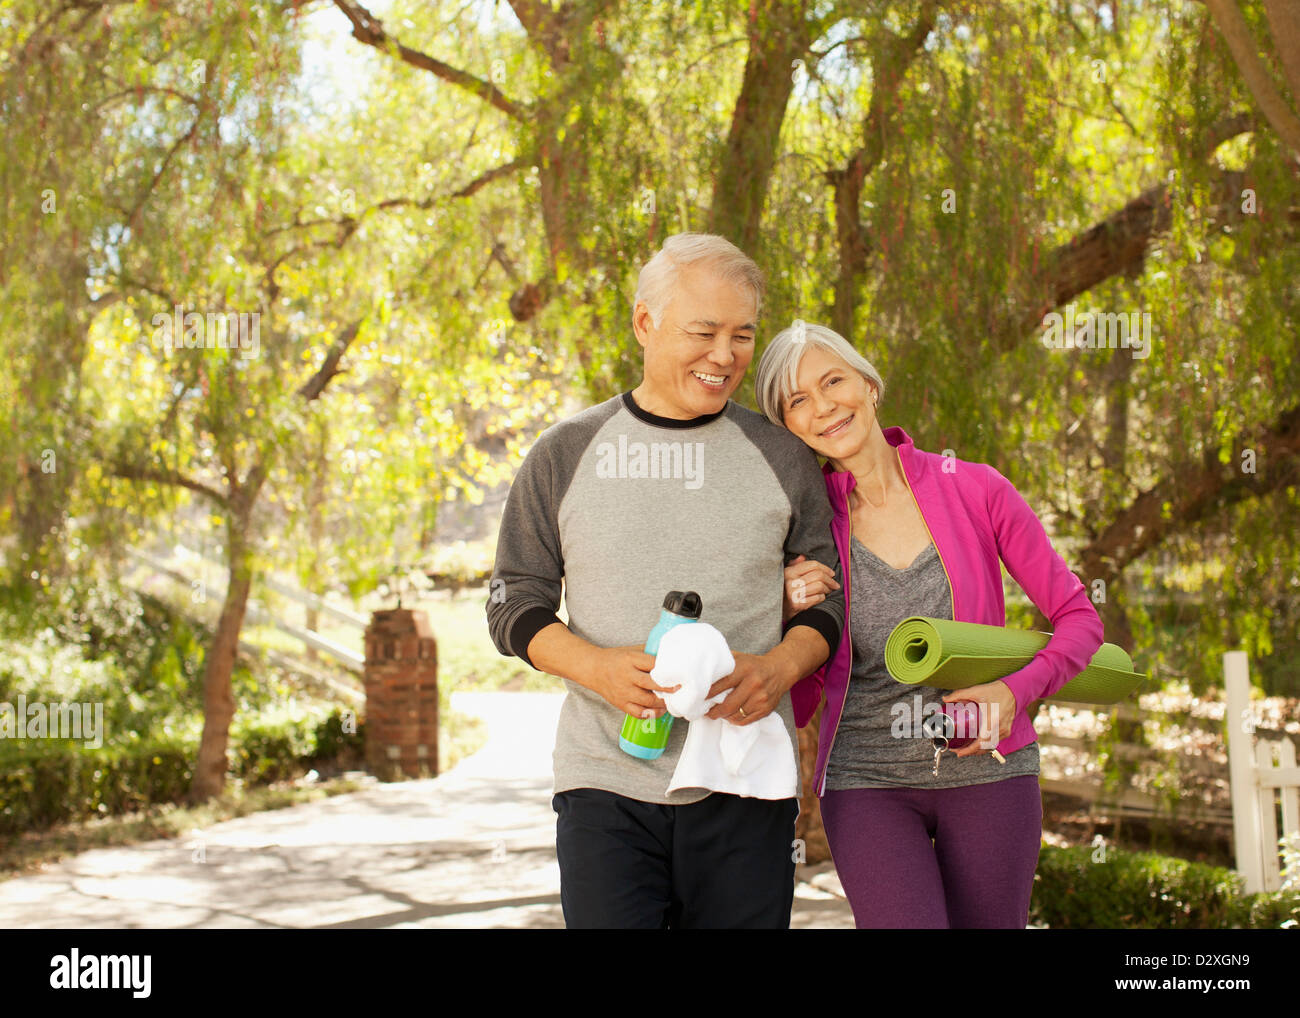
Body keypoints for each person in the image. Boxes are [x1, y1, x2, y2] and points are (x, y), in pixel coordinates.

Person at [485, 234, 845, 929]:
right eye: (703, 331)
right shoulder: (565, 453)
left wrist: (777, 668)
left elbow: (824, 605)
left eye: (742, 335)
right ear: (645, 323)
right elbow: (512, 601)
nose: (725, 355)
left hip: (746, 785)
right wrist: (595, 667)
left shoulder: (784, 457)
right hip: (604, 786)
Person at [752, 320, 1104, 929]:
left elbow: (1079, 619)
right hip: (866, 783)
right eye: (797, 401)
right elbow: (796, 691)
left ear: (868, 384)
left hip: (991, 773)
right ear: (787, 428)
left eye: (833, 381)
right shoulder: (802, 532)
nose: (824, 406)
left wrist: (1011, 692)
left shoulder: (976, 489)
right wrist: (781, 613)